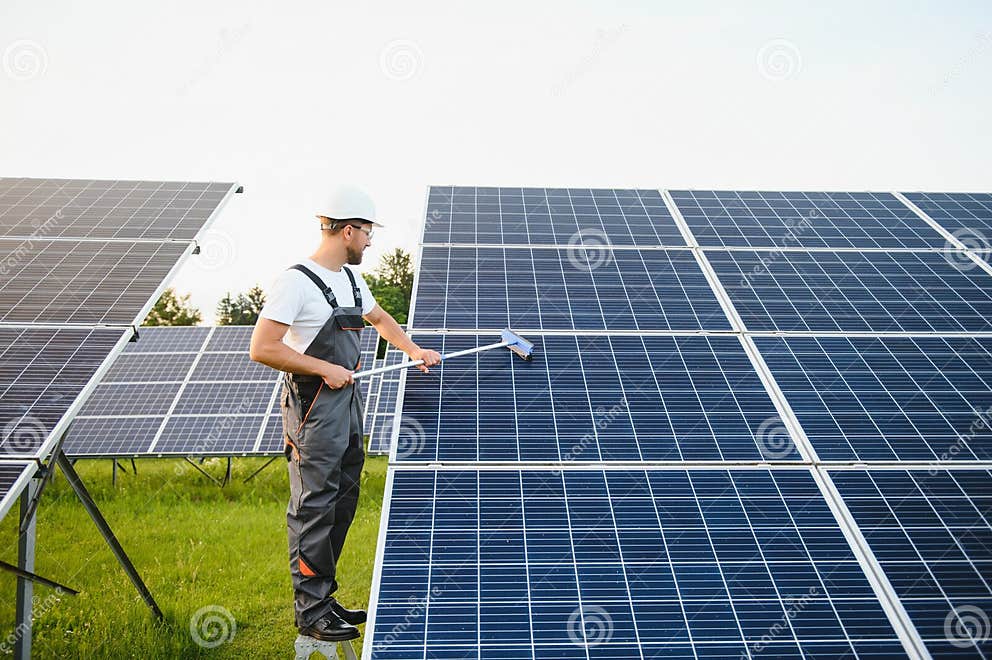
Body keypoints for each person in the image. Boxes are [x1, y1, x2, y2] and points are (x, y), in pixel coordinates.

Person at [249, 184, 441, 641]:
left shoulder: (352, 281)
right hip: (313, 406)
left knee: (342, 501)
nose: (371, 242)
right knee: (313, 507)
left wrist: (413, 350)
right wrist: (324, 368)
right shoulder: (296, 281)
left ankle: (324, 597)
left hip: (348, 403)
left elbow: (380, 320)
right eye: (368, 232)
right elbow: (262, 347)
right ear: (348, 230)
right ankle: (310, 612)